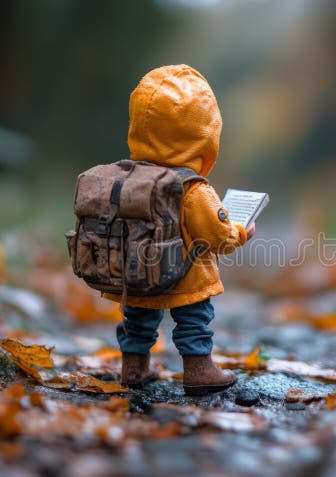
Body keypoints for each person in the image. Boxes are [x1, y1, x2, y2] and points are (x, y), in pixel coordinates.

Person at [103, 65, 254, 395]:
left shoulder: (127, 179)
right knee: (194, 318)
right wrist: (241, 232)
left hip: (138, 272)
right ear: (203, 134)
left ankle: (133, 367)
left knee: (137, 318)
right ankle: (199, 369)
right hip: (184, 275)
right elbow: (216, 236)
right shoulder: (193, 189)